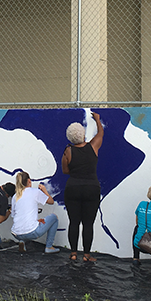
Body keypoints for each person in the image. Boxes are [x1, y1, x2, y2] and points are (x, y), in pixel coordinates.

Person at [61, 111, 104, 263]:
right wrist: (97, 120)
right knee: (88, 224)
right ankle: (86, 255)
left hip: (73, 188)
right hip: (92, 188)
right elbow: (101, 133)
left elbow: (65, 170)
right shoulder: (93, 147)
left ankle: (73, 253)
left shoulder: (68, 151)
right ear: (83, 134)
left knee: (74, 222)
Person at [11, 171, 60, 254]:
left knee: (24, 226)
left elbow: (14, 215)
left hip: (16, 233)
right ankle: (49, 246)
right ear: (29, 181)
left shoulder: (15, 196)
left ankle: (21, 241)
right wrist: (44, 190)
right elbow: (51, 201)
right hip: (32, 232)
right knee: (54, 218)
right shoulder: (35, 192)